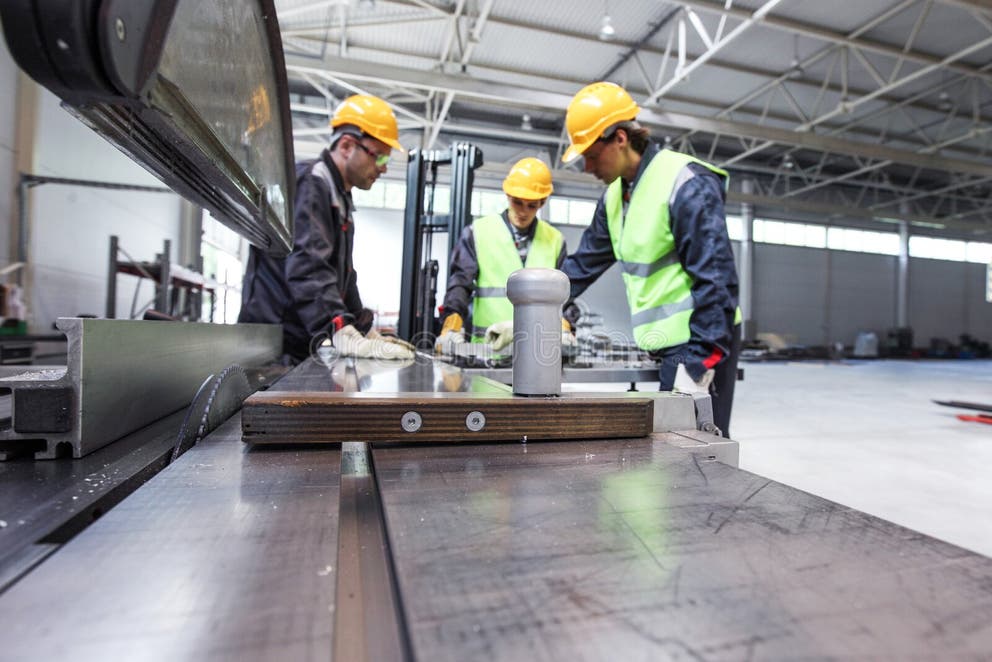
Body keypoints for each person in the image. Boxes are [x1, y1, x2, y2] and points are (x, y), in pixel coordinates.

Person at [559, 82, 741, 437]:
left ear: (621, 138)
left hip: (698, 343)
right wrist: (533, 304)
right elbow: (580, 267)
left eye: (592, 156)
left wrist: (699, 363)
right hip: (664, 346)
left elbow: (717, 281)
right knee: (672, 457)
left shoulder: (684, 183)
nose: (587, 168)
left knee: (696, 458)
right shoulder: (615, 199)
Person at [239, 94, 414, 362]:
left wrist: (364, 331)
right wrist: (339, 329)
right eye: (379, 158)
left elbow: (344, 276)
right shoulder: (311, 184)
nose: (384, 169)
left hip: (299, 341)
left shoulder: (339, 195)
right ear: (346, 146)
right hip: (276, 347)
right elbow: (309, 268)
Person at [437, 158, 572, 351]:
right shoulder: (478, 233)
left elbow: (565, 294)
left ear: (542, 203)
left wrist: (565, 328)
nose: (523, 212)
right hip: (488, 350)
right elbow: (460, 283)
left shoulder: (555, 240)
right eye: (517, 202)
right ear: (508, 195)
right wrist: (451, 326)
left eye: (531, 205)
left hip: (538, 352)